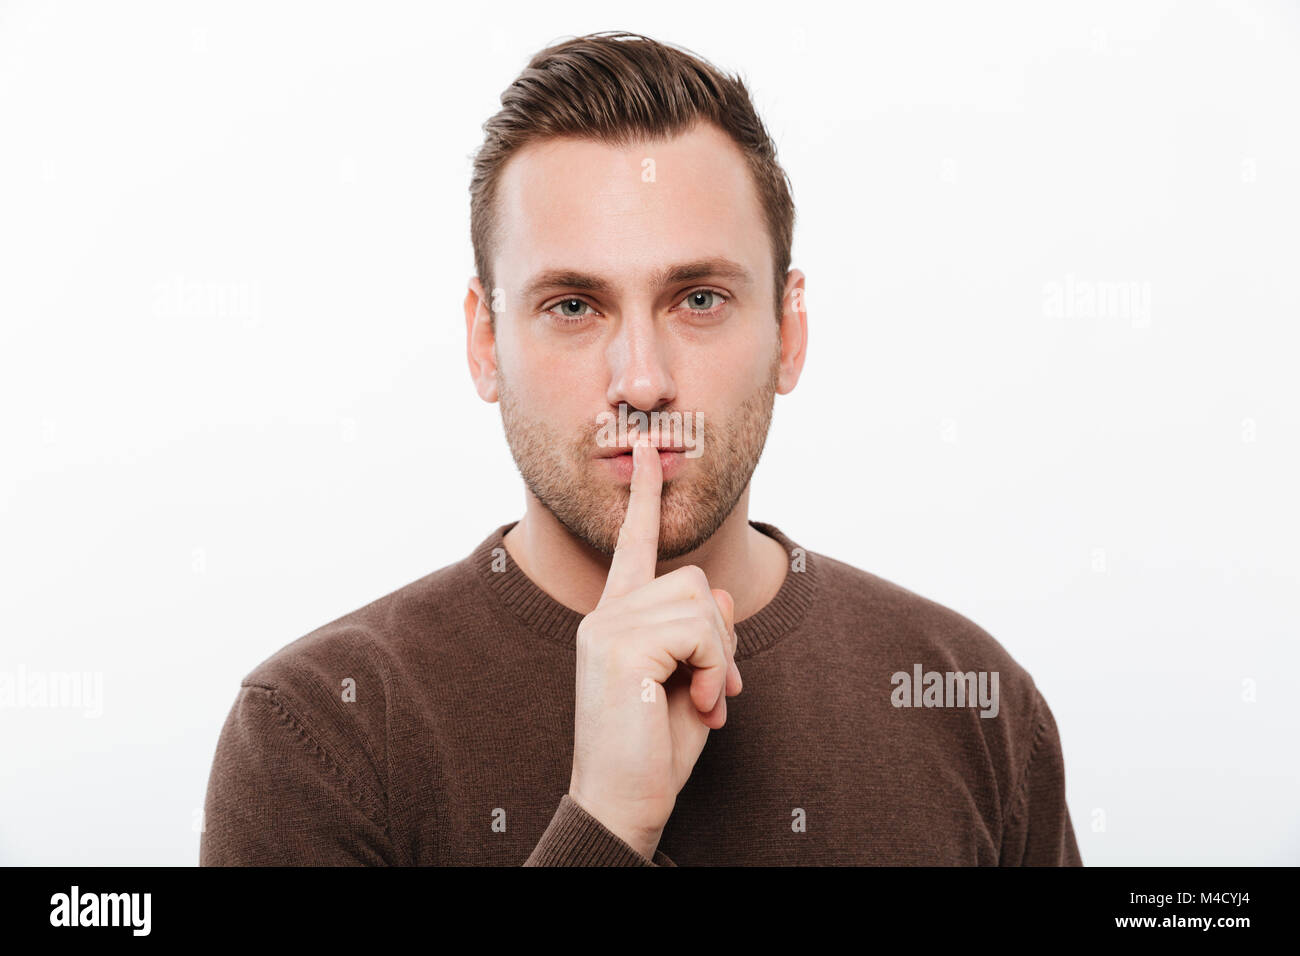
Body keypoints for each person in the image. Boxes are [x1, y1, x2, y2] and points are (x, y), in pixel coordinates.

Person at [200, 30, 1082, 866]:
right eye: (573, 307)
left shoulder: (973, 698)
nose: (643, 381)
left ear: (790, 330)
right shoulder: (318, 732)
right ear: (484, 343)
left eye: (698, 299)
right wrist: (604, 824)